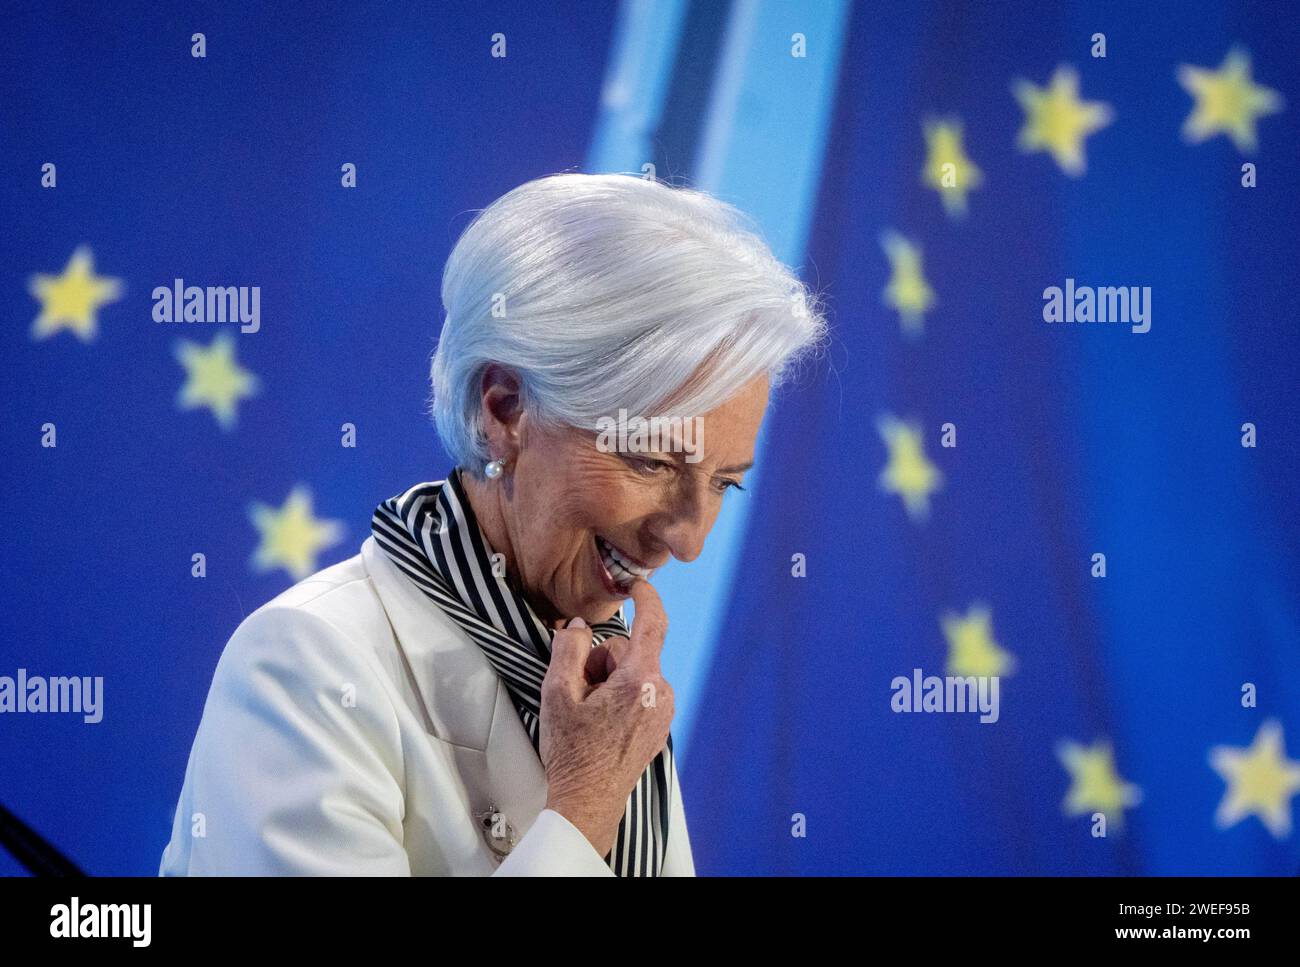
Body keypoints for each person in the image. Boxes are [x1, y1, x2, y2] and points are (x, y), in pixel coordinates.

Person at [158, 172, 825, 876]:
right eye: (652, 463)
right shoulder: (306, 662)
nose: (689, 539)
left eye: (723, 483)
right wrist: (583, 806)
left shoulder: (606, 682)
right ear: (505, 410)